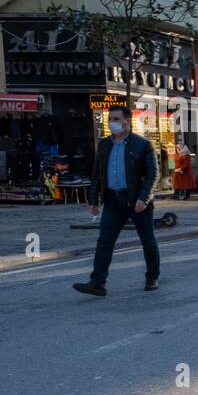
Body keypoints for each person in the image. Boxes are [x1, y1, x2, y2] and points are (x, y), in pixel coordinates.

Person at [74, 105, 162, 296]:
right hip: (113, 201)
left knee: (147, 241)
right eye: (110, 119)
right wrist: (93, 200)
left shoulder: (143, 145)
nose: (112, 123)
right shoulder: (104, 145)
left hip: (137, 201)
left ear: (127, 121)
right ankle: (97, 282)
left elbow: (153, 175)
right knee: (104, 241)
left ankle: (152, 277)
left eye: (116, 119)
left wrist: (144, 198)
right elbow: (98, 174)